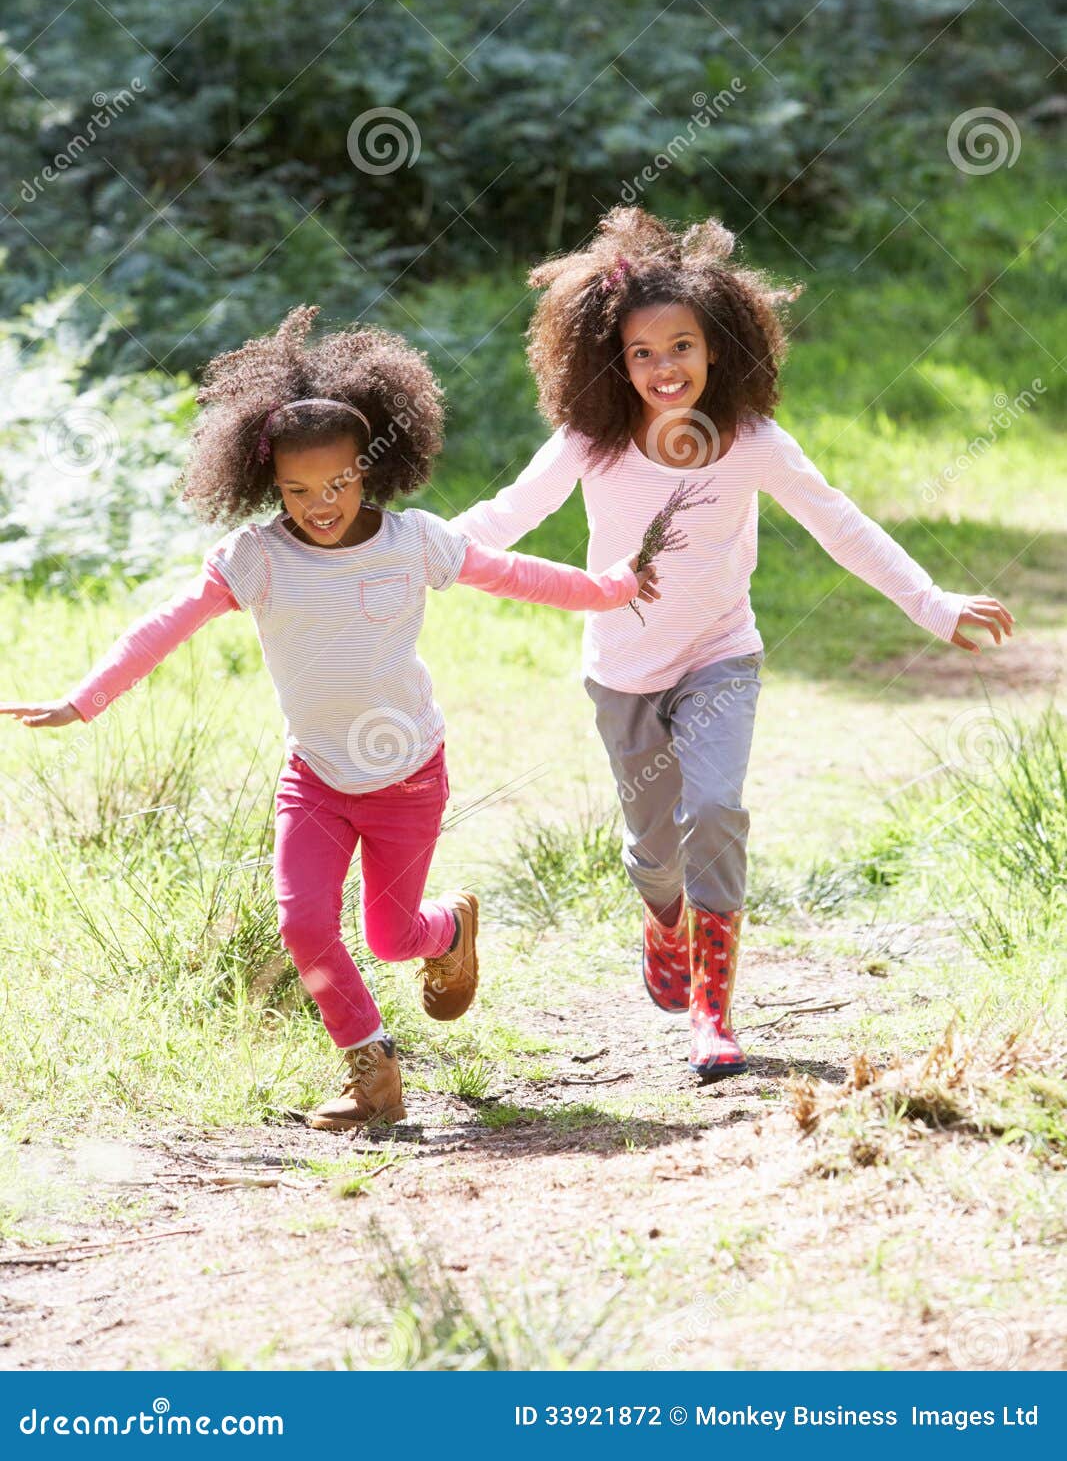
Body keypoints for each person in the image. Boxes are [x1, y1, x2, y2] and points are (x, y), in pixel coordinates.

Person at [0, 305, 657, 1128]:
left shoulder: (414, 543)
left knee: (390, 936)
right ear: (266, 483)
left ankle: (448, 930)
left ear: (370, 466)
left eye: (338, 483)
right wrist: (85, 698)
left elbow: (519, 574)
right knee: (303, 925)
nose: (320, 504)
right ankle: (371, 1070)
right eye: (297, 490)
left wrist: (613, 588)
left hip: (407, 777)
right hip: (313, 778)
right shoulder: (256, 559)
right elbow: (164, 623)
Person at [452, 209, 1014, 1081]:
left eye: (681, 346)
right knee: (654, 849)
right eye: (642, 352)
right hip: (622, 672)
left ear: (717, 348)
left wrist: (931, 604)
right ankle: (661, 916)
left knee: (713, 810)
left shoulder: (752, 442)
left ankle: (712, 1015)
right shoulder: (591, 444)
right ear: (612, 360)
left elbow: (839, 524)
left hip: (720, 656)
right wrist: (415, 552)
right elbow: (503, 515)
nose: (664, 367)